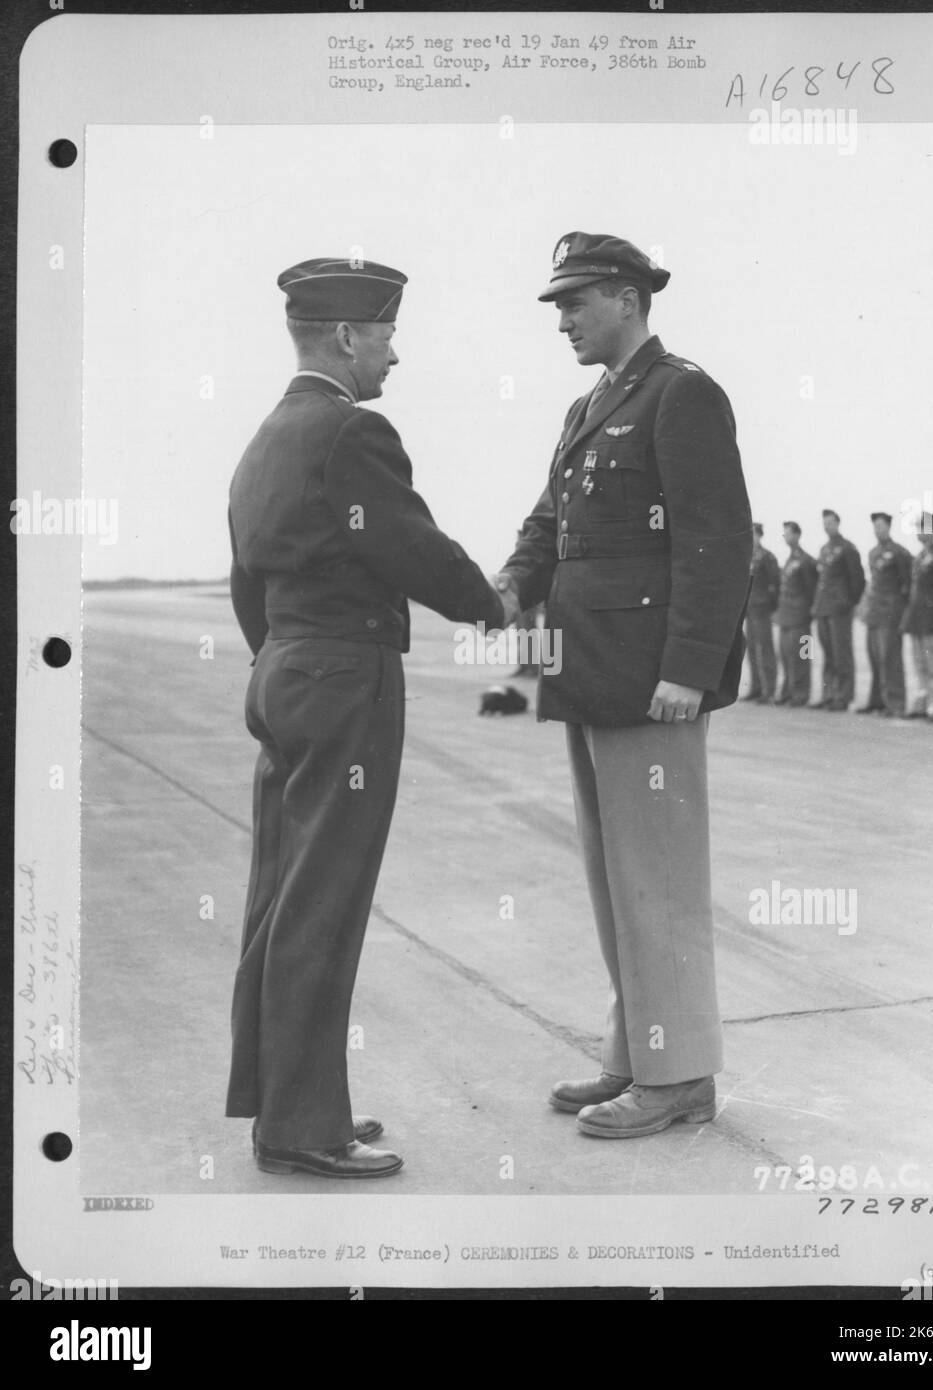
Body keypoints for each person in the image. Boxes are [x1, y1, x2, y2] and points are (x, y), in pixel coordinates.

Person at [225, 257, 504, 1178]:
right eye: (385, 336)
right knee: (324, 903)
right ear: (347, 337)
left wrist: (281, 658)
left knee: (280, 895)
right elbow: (411, 546)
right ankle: (302, 1130)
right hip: (346, 680)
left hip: (284, 670)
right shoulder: (351, 433)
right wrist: (493, 605)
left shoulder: (266, 436)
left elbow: (247, 582)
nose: (394, 355)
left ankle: (288, 1102)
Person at [496, 231, 752, 1139]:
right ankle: (636, 1053)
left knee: (660, 877)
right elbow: (549, 521)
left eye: (574, 302)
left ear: (628, 299)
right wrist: (508, 584)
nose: (561, 320)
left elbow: (718, 542)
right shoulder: (590, 405)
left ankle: (680, 1077)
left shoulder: (682, 393)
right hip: (590, 667)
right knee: (616, 875)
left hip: (652, 681)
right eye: (559, 305)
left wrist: (689, 669)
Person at [901, 512, 933, 722]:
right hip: (917, 620)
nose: (919, 532)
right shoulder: (919, 558)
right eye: (918, 528)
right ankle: (922, 703)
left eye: (923, 528)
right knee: (920, 663)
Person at [810, 508, 865, 711]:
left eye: (830, 522)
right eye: (824, 523)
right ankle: (829, 694)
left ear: (838, 523)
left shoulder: (847, 548)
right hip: (823, 608)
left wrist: (847, 603)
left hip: (839, 610)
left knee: (842, 655)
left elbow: (858, 580)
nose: (827, 526)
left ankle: (843, 696)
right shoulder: (824, 549)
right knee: (828, 655)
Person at [858, 511, 911, 717]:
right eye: (875, 526)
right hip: (874, 613)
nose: (877, 530)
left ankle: (896, 704)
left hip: (890, 614)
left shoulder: (900, 553)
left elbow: (907, 586)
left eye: (881, 526)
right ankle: (877, 701)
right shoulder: (872, 553)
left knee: (891, 659)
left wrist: (902, 613)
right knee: (875, 659)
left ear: (889, 527)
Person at [774, 521, 818, 707]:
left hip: (800, 618)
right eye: (784, 534)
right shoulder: (790, 560)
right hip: (786, 617)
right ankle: (788, 692)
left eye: (789, 533)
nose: (786, 537)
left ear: (798, 535)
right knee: (785, 656)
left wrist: (807, 612)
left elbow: (811, 590)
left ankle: (800, 695)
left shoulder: (806, 561)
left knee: (802, 656)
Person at [742, 522, 780, 702]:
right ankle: (756, 688)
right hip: (750, 610)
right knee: (752, 649)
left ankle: (769, 690)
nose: (751, 538)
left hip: (762, 609)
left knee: (765, 649)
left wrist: (770, 607)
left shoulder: (767, 557)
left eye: (754, 534)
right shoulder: (747, 557)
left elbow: (775, 585)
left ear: (760, 536)